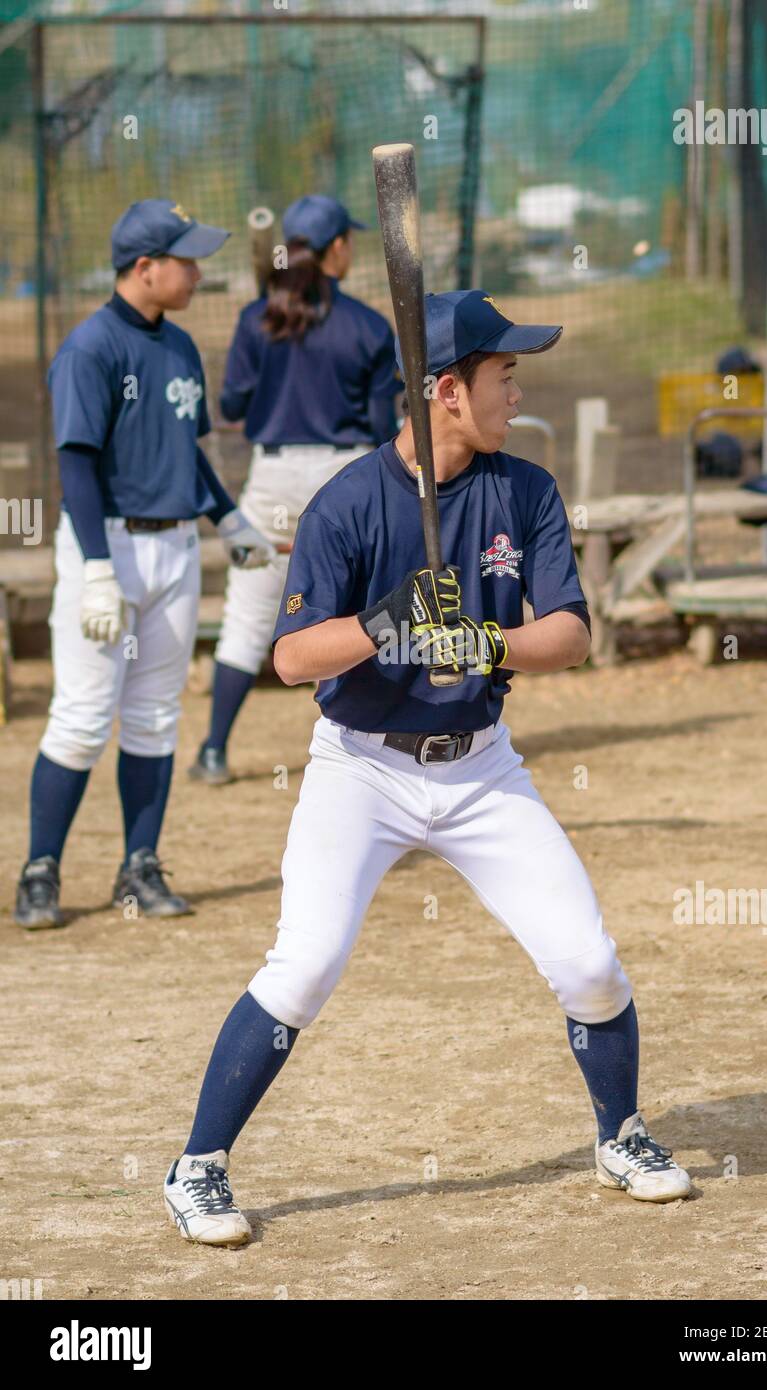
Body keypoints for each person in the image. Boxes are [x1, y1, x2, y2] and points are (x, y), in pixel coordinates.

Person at [163, 289, 691, 1247]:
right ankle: (197, 1166)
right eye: (504, 376)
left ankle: (620, 1134)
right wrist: (384, 622)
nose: (516, 392)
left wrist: (482, 638)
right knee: (307, 962)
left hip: (483, 769)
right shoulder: (349, 503)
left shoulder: (523, 490)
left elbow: (570, 633)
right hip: (361, 768)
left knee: (588, 964)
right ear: (447, 391)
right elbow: (289, 659)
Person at [13, 199, 277, 930]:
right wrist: (96, 567)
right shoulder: (91, 348)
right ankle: (39, 871)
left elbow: (187, 453)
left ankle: (140, 865)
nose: (198, 272)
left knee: (156, 716)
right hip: (110, 545)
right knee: (82, 718)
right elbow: (76, 463)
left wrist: (231, 519)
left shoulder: (182, 346)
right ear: (144, 268)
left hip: (176, 548)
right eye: (186, 260)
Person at [188, 194, 402, 785]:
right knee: (361, 612)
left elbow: (230, 404)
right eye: (348, 241)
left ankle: (213, 751)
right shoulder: (367, 325)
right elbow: (387, 425)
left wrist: (274, 351)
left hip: (275, 475)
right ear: (336, 248)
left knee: (250, 614)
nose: (351, 249)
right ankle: (373, 743)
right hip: (347, 475)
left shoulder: (258, 318)